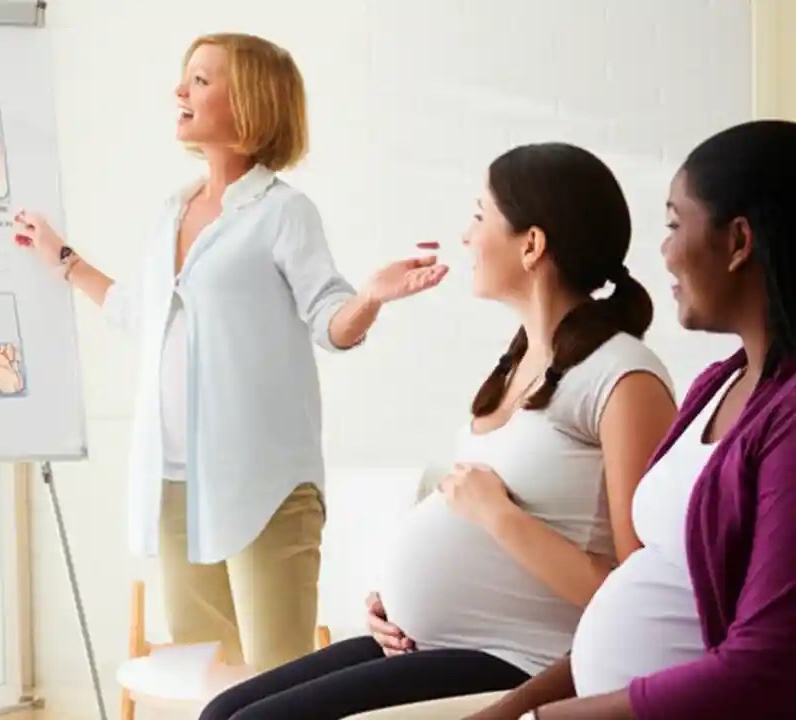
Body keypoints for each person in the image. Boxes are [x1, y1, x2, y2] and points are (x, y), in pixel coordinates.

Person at [199, 142, 680, 719]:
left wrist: (497, 515)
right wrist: (395, 600)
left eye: (479, 216)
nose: (466, 237)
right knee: (221, 712)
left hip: (522, 660)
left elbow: (636, 594)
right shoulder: (521, 359)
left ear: (532, 244)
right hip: (427, 641)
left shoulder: (624, 377)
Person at [12, 33, 447, 672]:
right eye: (185, 78)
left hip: (265, 483)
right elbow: (141, 310)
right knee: (207, 677)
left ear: (249, 102)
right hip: (176, 481)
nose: (180, 91)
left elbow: (331, 322)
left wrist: (372, 296)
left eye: (200, 80)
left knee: (277, 678)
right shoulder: (172, 211)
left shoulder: (283, 213)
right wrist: (65, 259)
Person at [466, 120, 796, 720]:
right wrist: (515, 708)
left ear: (740, 240)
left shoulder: (789, 419)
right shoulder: (715, 385)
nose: (664, 253)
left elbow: (767, 667)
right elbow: (640, 585)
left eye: (674, 224)